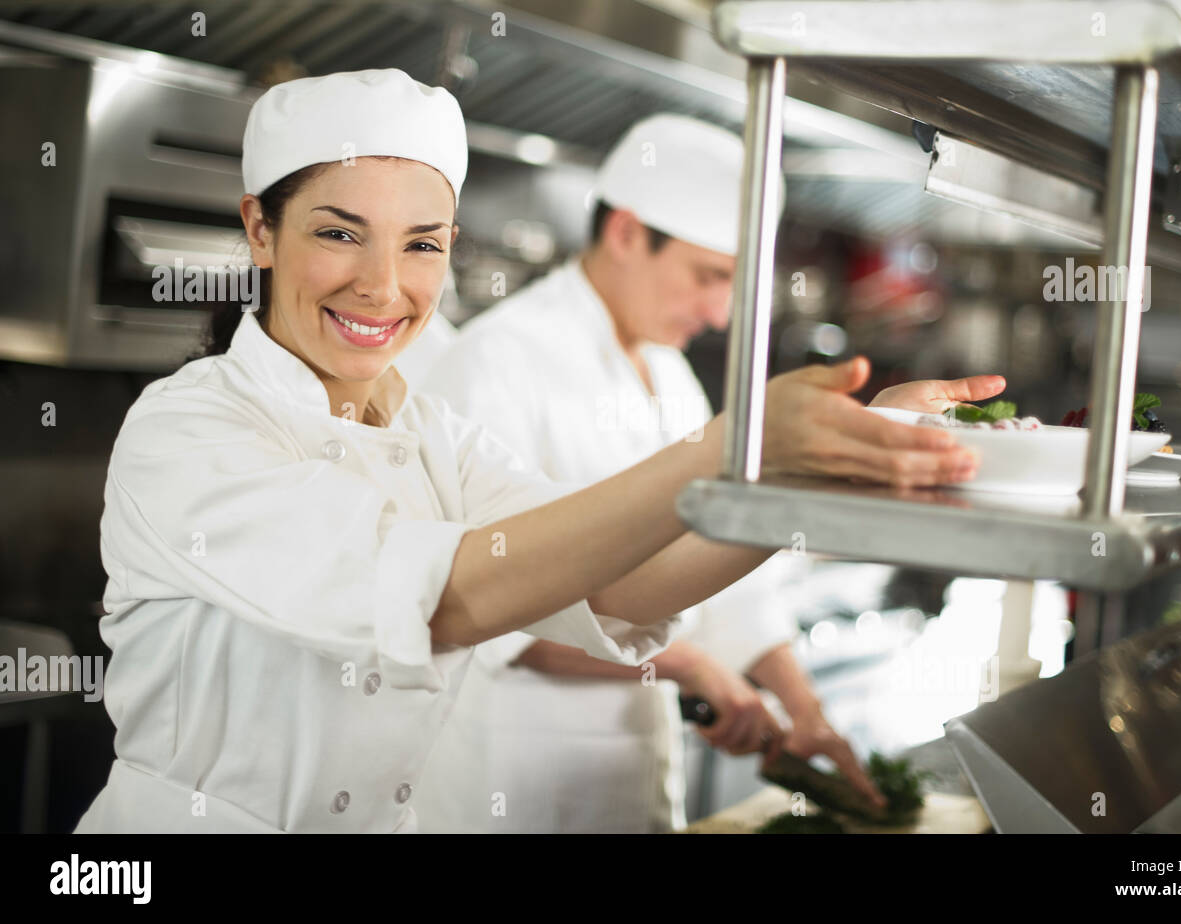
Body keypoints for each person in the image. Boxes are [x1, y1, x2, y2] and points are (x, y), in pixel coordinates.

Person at [74, 68, 983, 834]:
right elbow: (443, 598)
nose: (384, 286)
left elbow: (618, 581)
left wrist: (812, 475)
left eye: (422, 244)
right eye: (339, 232)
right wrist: (732, 447)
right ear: (261, 229)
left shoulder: (431, 438)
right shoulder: (186, 430)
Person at [414, 115, 1006, 832]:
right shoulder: (496, 362)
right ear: (627, 233)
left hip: (631, 774)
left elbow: (729, 573)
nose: (720, 311)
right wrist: (690, 667)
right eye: (709, 276)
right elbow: (484, 609)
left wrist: (804, 712)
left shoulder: (670, 377)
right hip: (506, 780)